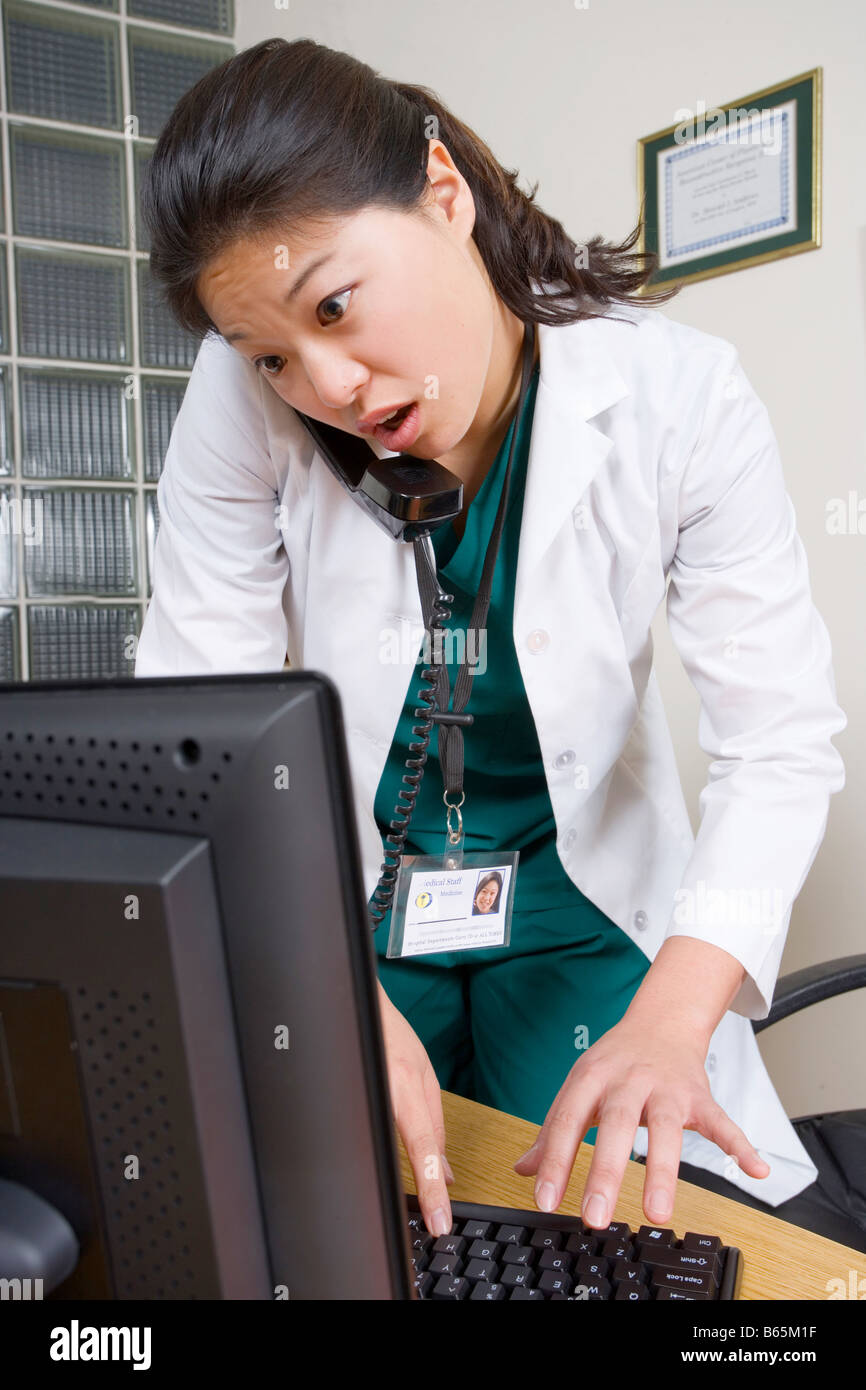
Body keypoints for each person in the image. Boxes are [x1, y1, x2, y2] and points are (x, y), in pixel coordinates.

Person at [135, 36, 847, 1242]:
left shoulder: (678, 397)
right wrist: (328, 993)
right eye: (271, 354)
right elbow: (198, 729)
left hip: (573, 901)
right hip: (346, 898)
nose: (326, 385)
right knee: (334, 1225)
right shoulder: (239, 398)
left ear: (443, 194)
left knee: (603, 1225)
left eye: (335, 305)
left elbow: (777, 743)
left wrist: (673, 1021)